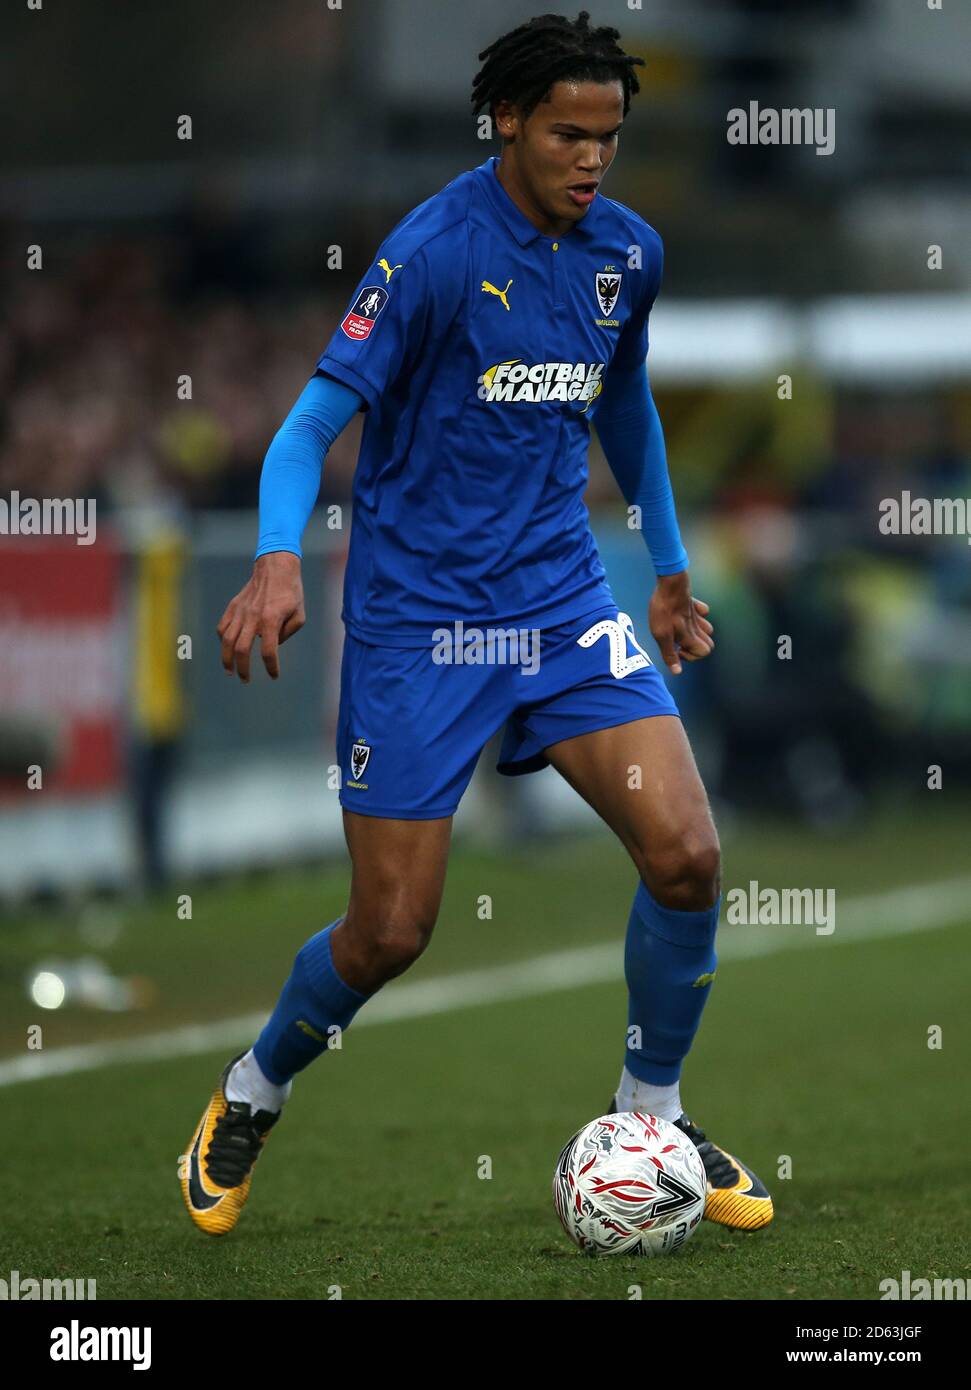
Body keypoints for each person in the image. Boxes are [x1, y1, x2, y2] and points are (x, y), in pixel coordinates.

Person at [180, 11, 772, 1238]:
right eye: (567, 131)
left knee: (688, 855)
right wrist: (279, 556)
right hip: (419, 630)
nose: (591, 157)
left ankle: (650, 1115)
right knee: (390, 930)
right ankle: (252, 1090)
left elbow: (626, 405)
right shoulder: (433, 253)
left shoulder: (626, 253)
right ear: (505, 120)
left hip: (559, 605)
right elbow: (304, 430)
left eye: (608, 135)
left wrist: (665, 566)